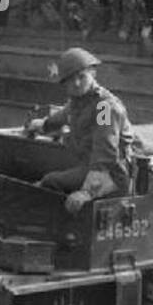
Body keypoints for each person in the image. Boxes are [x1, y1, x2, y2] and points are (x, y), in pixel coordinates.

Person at [25, 48, 136, 214]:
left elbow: (105, 152)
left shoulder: (104, 107)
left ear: (93, 74)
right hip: (89, 164)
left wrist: (87, 192)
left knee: (51, 181)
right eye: (70, 80)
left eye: (81, 77)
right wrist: (42, 125)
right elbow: (63, 116)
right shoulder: (79, 100)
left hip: (111, 175)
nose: (76, 83)